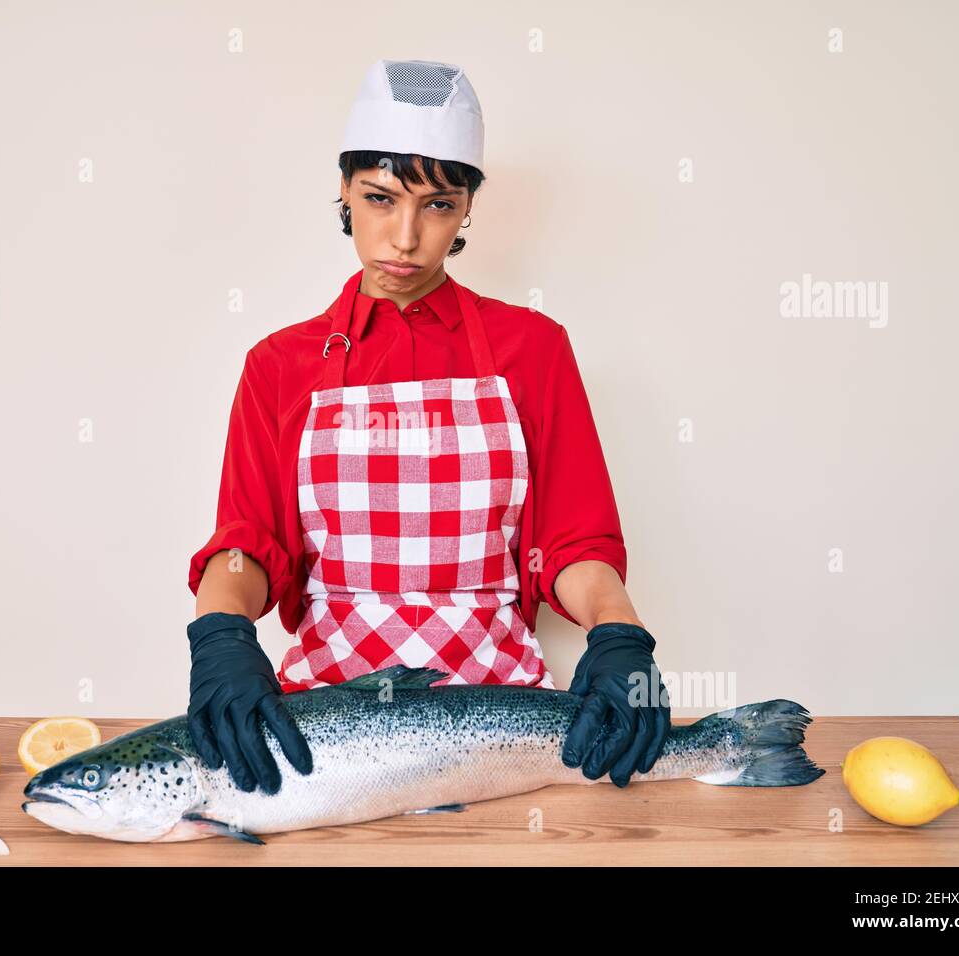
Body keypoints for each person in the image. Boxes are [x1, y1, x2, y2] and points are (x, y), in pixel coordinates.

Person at [186, 59, 670, 797]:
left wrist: (619, 634)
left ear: (467, 208)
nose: (406, 237)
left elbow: (573, 544)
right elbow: (249, 546)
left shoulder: (534, 349)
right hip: (323, 731)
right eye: (380, 198)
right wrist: (220, 633)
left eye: (438, 205)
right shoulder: (279, 366)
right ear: (344, 191)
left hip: (504, 728)